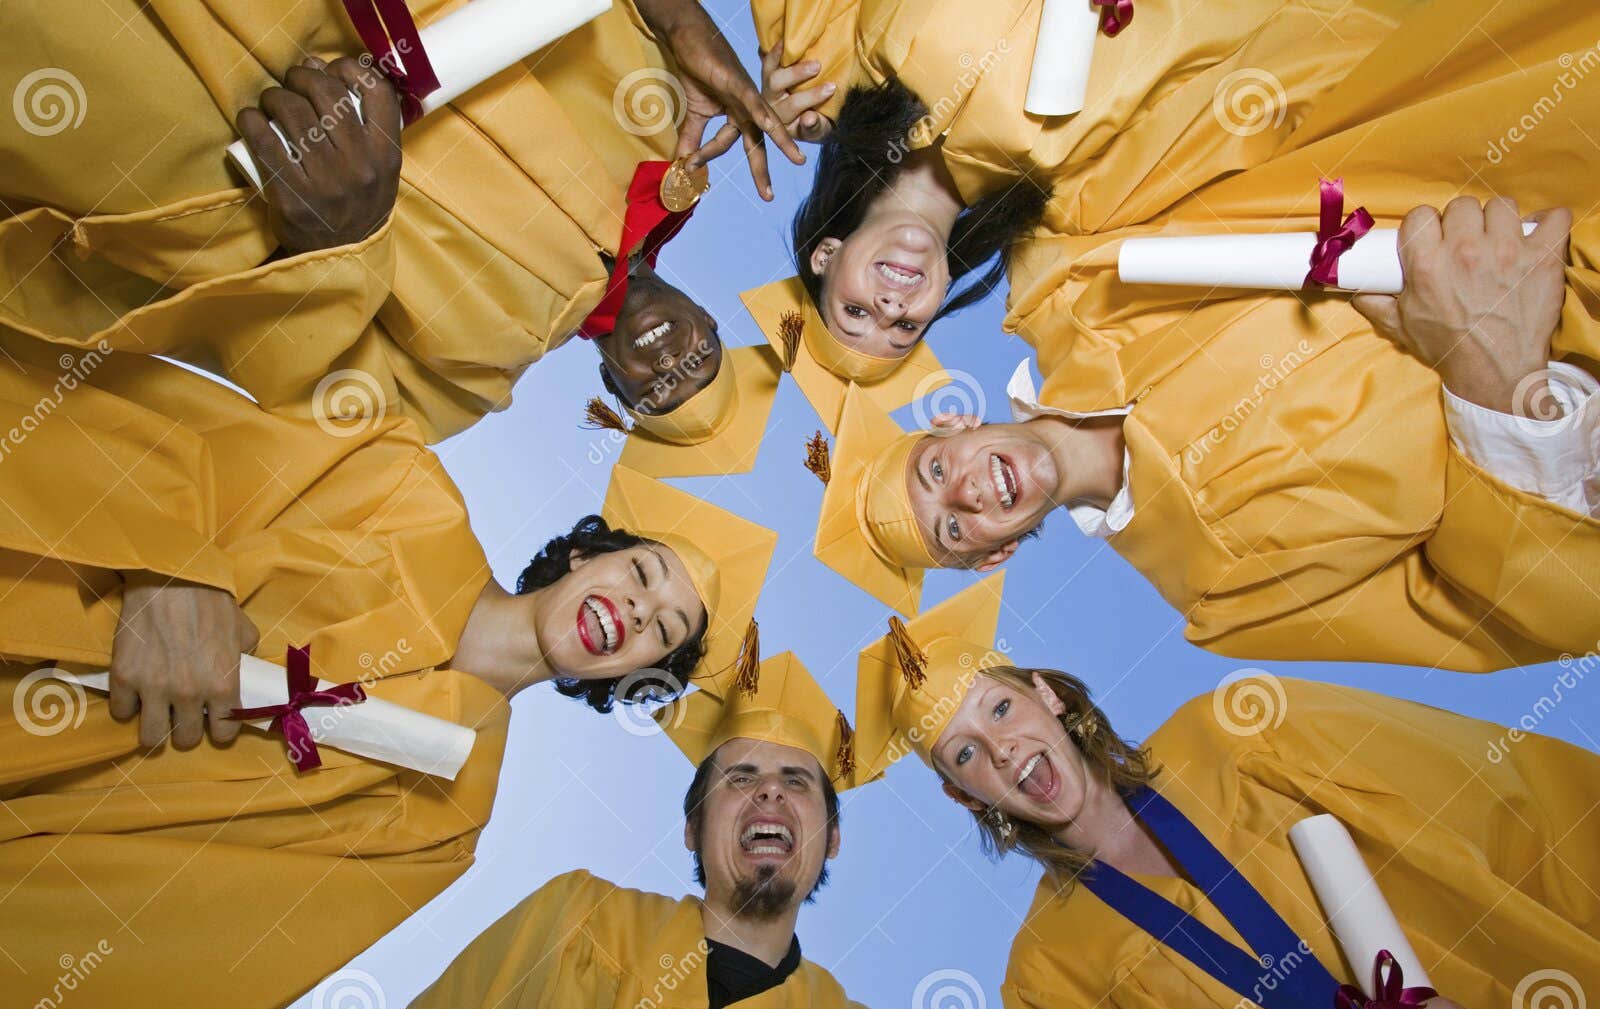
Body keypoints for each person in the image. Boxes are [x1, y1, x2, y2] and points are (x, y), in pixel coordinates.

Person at [0, 349, 773, 1009]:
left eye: (662, 630)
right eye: (641, 573)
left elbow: (203, 941)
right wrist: (169, 564)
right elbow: (168, 425)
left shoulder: (449, 816)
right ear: (584, 556)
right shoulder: (399, 487)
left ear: (630, 675)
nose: (639, 612)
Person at [817, 196, 1600, 668]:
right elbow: (1508, 614)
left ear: (950, 421)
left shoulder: (1082, 276)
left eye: (933, 472)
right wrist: (1499, 385)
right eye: (955, 529)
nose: (967, 492)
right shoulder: (1226, 600)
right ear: (998, 552)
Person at [854, 578, 1600, 1009]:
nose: (1003, 746)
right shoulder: (1046, 976)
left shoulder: (1238, 733)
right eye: (964, 755)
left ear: (1048, 695)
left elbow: (1491, 789)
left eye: (1002, 707)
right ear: (965, 797)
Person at [0, 0, 805, 442]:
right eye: (704, 359)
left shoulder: (461, 386)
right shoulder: (673, 138)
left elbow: (294, 388)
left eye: (660, 394)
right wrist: (679, 16)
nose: (675, 362)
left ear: (614, 388)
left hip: (186, 117)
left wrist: (334, 243)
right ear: (706, 314)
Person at [756, 0, 1407, 366]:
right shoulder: (1074, 201)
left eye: (856, 311)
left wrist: (786, 79)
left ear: (827, 254)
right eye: (904, 331)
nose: (892, 309)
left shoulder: (835, 70)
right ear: (940, 298)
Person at [372, 651, 938, 1009]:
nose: (770, 792)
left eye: (796, 782)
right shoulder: (578, 922)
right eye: (741, 779)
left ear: (832, 839)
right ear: (693, 829)